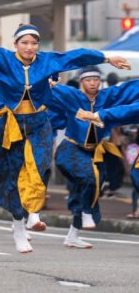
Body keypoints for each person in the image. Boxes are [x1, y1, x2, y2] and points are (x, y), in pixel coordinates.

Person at [0, 24, 129, 253]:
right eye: (24, 43)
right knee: (8, 178)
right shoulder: (3, 59)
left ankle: (33, 214)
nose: (29, 47)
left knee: (38, 167)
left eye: (34, 43)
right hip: (10, 125)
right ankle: (12, 224)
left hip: (38, 122)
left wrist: (107, 58)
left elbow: (74, 56)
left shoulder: (46, 61)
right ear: (15, 44)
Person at [48, 66, 139, 248]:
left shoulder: (107, 98)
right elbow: (49, 89)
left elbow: (127, 90)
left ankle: (73, 235)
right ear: (81, 82)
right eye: (88, 80)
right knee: (90, 178)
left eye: (96, 79)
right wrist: (49, 83)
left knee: (85, 189)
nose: (93, 83)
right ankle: (85, 212)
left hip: (94, 152)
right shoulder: (73, 96)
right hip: (71, 149)